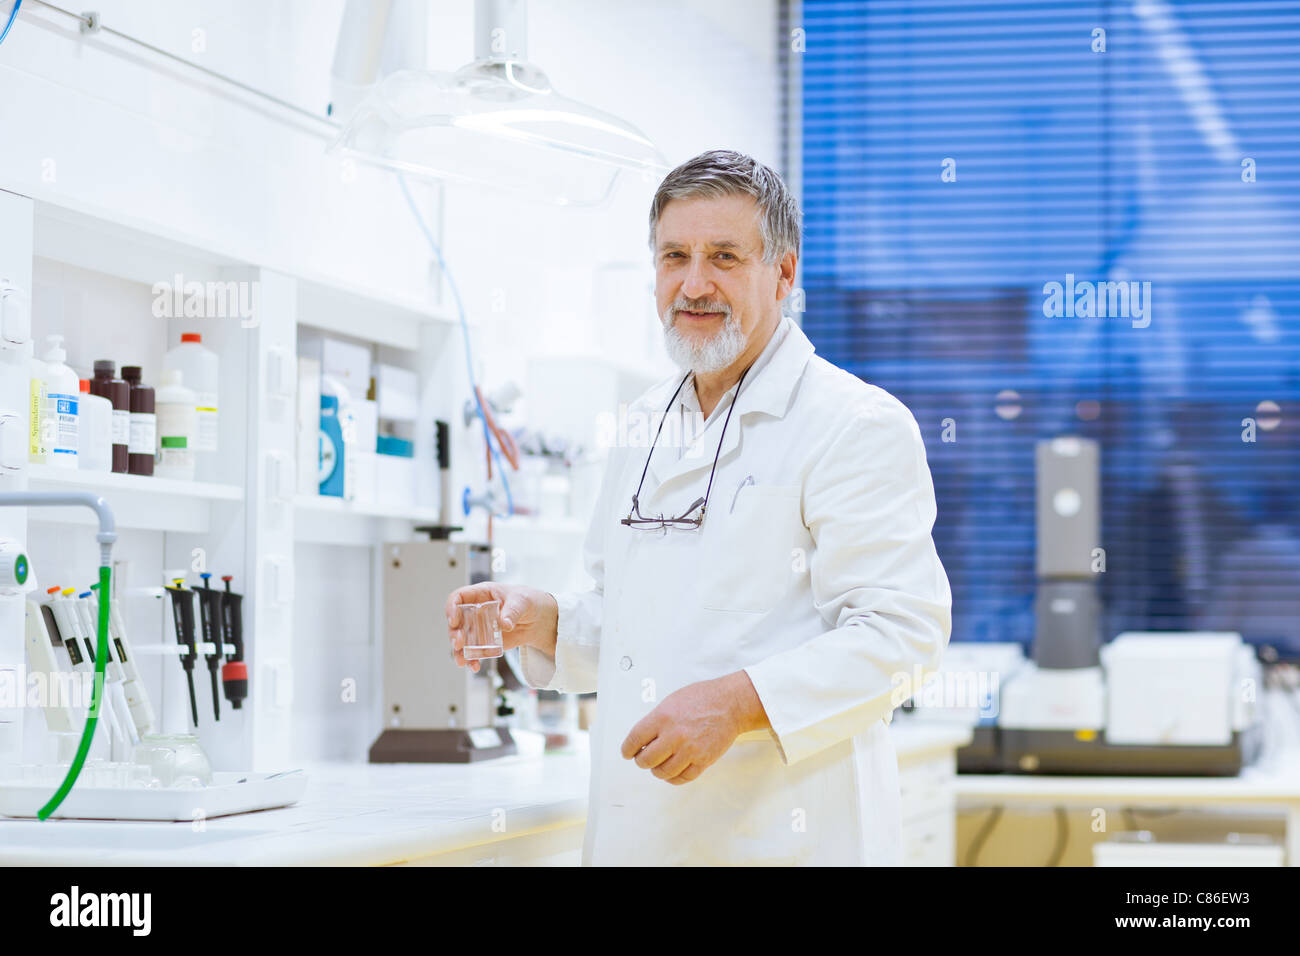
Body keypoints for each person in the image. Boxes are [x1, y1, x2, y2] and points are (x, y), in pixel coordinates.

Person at [445, 149, 952, 865]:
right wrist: (546, 620)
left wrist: (739, 702)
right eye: (674, 256)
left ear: (783, 273)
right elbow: (624, 624)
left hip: (785, 836)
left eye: (724, 257)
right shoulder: (642, 425)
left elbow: (904, 639)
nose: (694, 283)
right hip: (640, 832)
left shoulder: (853, 423)